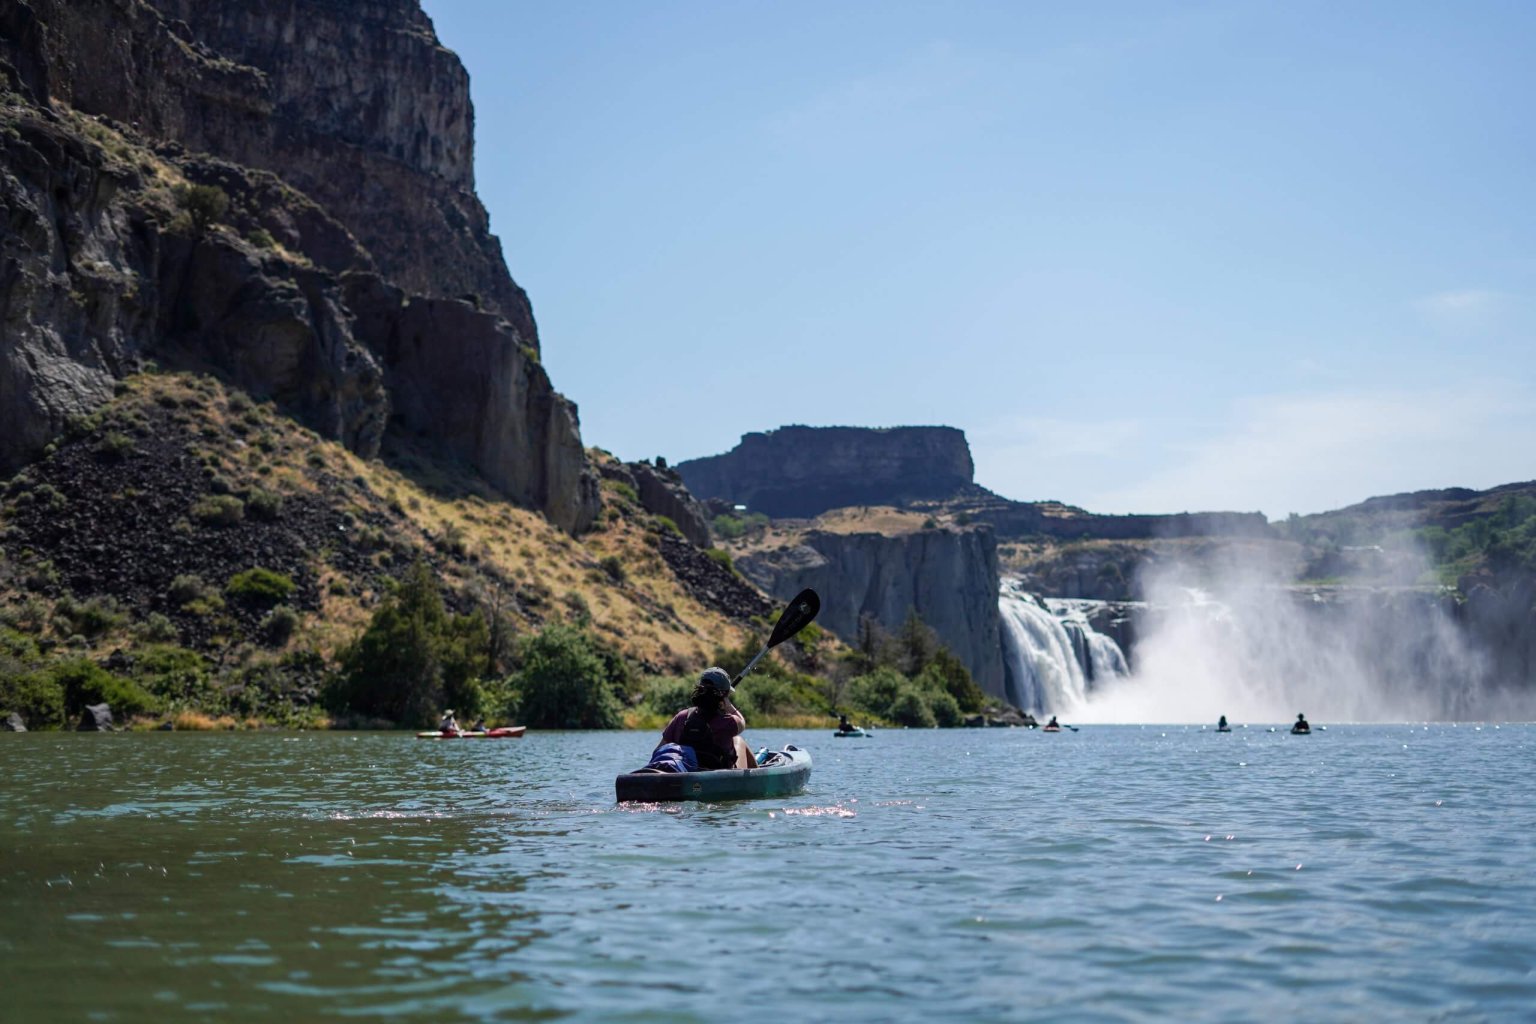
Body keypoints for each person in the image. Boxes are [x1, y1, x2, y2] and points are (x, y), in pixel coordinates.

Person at [654, 667, 755, 770]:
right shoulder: (728, 722)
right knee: (738, 740)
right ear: (724, 695)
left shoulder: (682, 716)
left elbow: (658, 750)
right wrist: (726, 702)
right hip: (719, 778)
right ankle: (759, 779)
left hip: (687, 774)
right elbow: (742, 722)